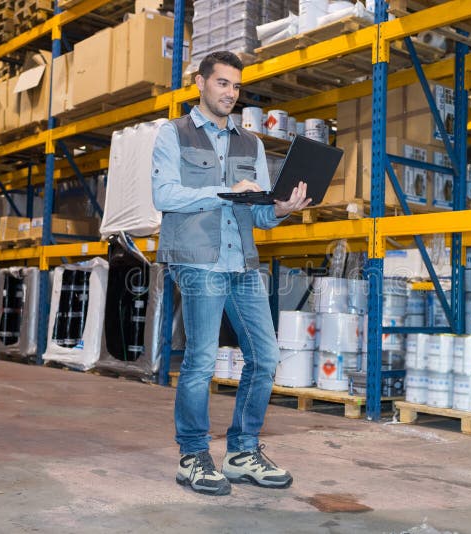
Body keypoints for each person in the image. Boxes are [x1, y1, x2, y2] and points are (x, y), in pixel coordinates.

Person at [151, 51, 312, 496]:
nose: (230, 93)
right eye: (222, 83)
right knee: (201, 361)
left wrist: (279, 209)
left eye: (236, 86)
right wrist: (223, 192)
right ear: (200, 84)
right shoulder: (174, 133)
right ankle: (193, 456)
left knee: (266, 356)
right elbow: (163, 194)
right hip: (198, 261)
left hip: (241, 260)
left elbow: (257, 214)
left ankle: (241, 452)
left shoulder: (251, 144)